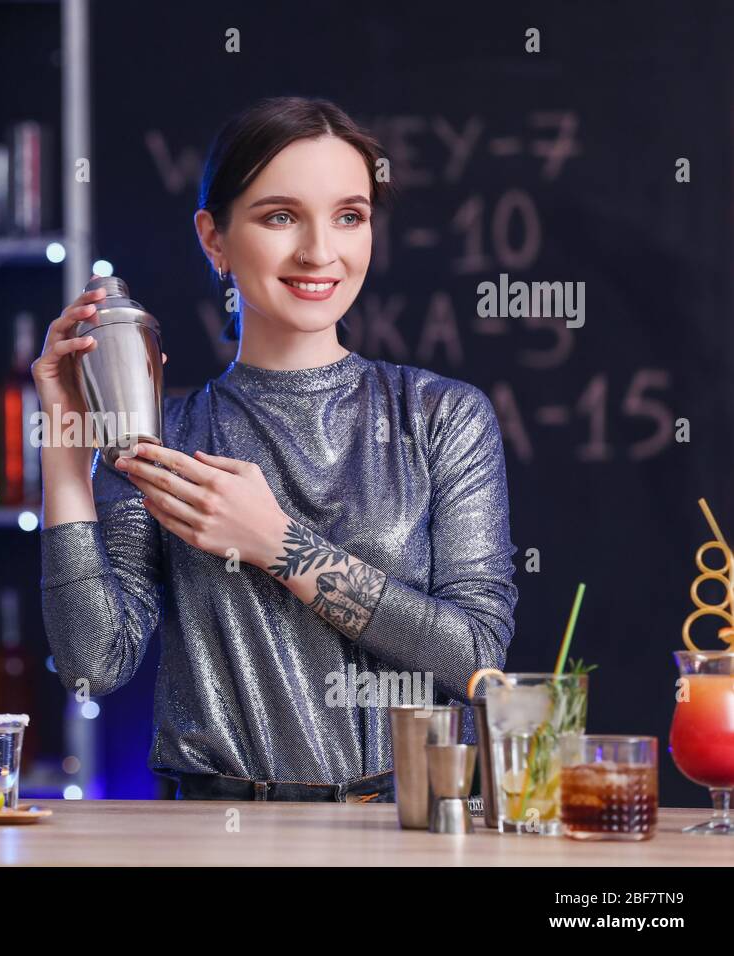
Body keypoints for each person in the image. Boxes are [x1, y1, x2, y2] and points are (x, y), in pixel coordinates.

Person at [35, 95, 518, 802]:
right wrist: (65, 448)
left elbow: (478, 660)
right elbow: (92, 667)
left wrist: (280, 545)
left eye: (349, 216)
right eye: (281, 216)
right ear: (215, 239)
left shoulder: (441, 416)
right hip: (212, 835)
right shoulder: (162, 440)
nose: (320, 251)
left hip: (406, 827)